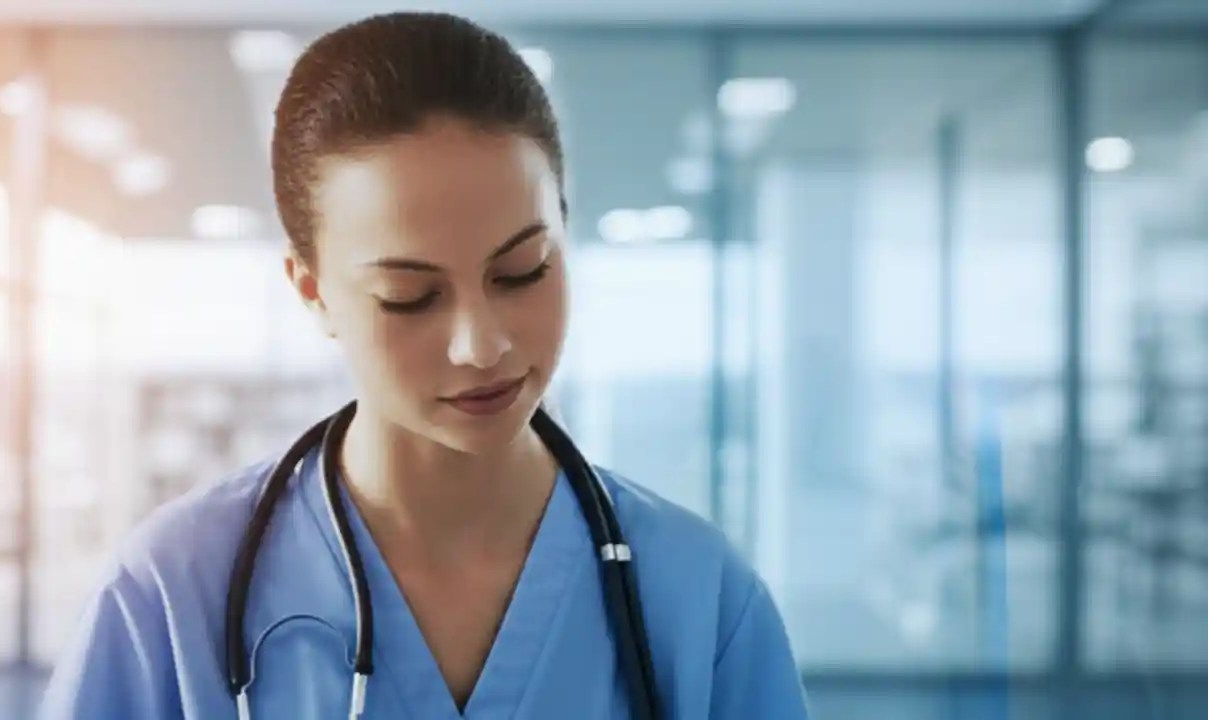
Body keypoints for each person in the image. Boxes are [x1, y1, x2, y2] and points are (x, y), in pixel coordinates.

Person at [40, 12, 809, 719]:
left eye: (523, 272)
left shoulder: (698, 597)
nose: (481, 344)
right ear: (312, 292)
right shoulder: (171, 594)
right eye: (409, 296)